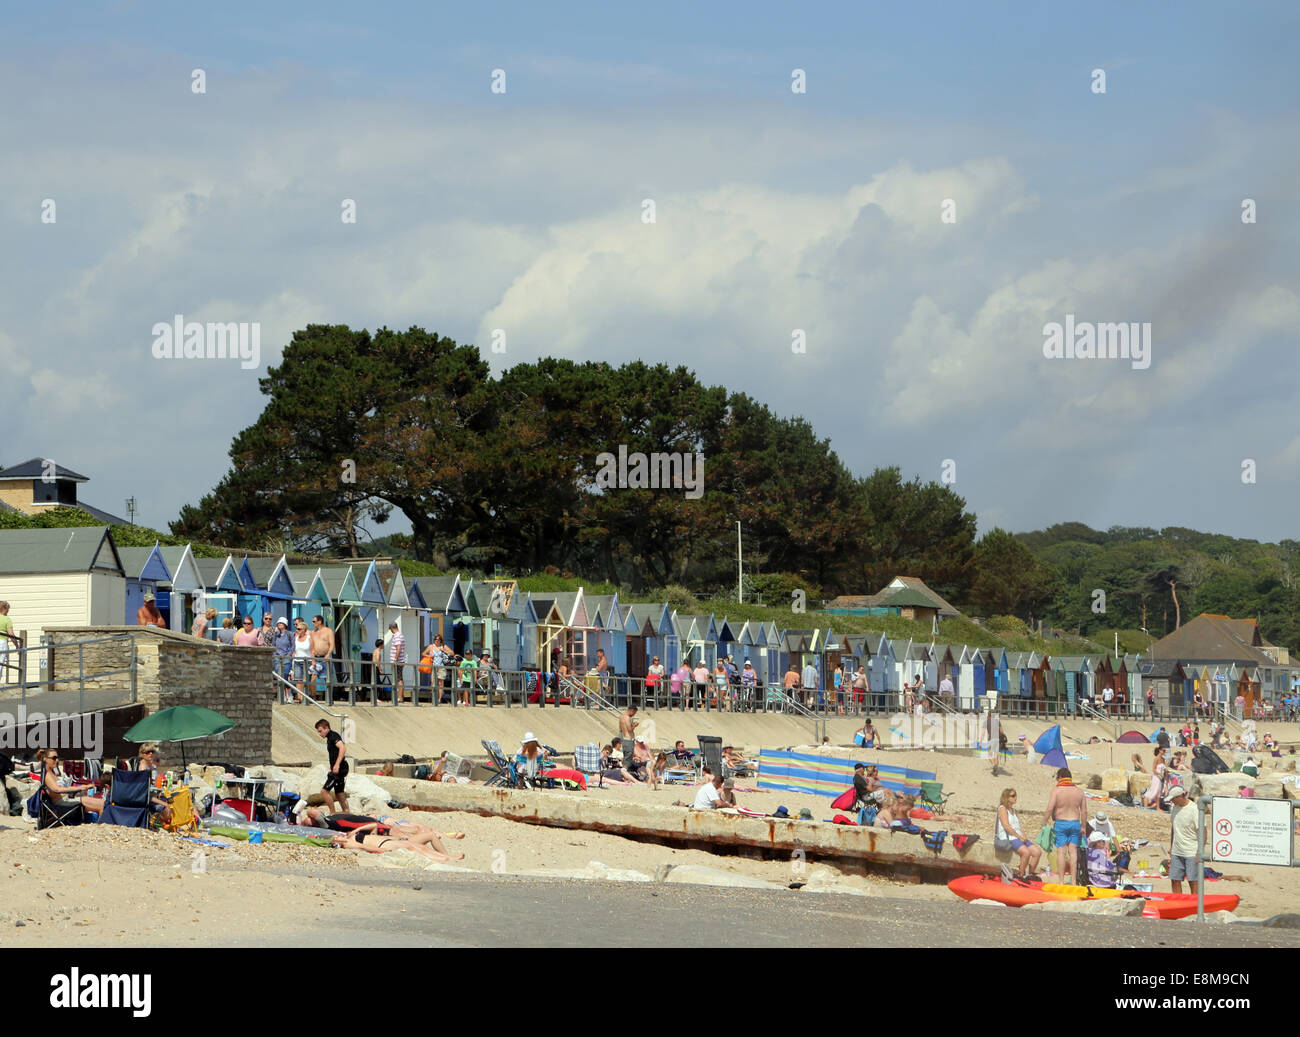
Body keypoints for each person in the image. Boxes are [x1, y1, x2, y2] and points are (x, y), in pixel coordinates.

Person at [331, 822, 462, 863]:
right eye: (337, 838)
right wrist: (383, 851)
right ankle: (439, 858)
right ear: (338, 842)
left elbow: (374, 825)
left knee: (422, 842)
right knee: (412, 847)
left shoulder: (351, 836)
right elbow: (364, 847)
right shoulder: (349, 844)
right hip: (385, 844)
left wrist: (357, 829)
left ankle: (446, 856)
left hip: (391, 840)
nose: (338, 835)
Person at [1042, 767, 1087, 881]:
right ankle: (1074, 881)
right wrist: (1083, 826)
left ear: (1060, 777)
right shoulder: (1079, 791)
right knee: (1073, 852)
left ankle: (1061, 881)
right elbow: (1084, 811)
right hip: (1075, 823)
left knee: (1061, 852)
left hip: (1061, 823)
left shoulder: (1056, 791)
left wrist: (1043, 822)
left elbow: (1049, 809)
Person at [36, 749, 104, 815]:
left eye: (57, 758)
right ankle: (102, 825)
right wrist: (81, 787)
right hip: (62, 804)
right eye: (54, 758)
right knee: (101, 805)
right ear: (45, 759)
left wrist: (80, 788)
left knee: (101, 803)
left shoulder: (52, 772)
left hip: (67, 800)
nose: (57, 760)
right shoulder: (47, 775)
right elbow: (57, 789)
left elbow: (63, 788)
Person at [996, 788, 1042, 879]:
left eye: (1015, 795)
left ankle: (1031, 874)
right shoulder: (1002, 809)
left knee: (1037, 852)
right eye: (1013, 796)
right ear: (1006, 797)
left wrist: (1023, 836)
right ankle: (1021, 874)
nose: (1015, 798)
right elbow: (1006, 826)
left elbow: (1018, 826)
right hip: (1009, 837)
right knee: (1026, 852)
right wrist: (1019, 837)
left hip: (1017, 836)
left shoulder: (1013, 810)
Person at [1165, 786, 1199, 895]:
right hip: (1177, 850)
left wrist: (1200, 851)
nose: (1171, 801)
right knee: (1175, 879)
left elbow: (1202, 831)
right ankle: (1178, 902)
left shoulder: (1194, 809)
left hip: (1191, 851)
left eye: (1173, 799)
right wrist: (1171, 847)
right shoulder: (1174, 808)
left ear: (1180, 797)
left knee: (1193, 881)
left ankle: (1195, 904)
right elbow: (1173, 828)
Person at [316, 719, 350, 813]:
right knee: (339, 793)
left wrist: (337, 765)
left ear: (326, 728)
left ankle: (332, 813)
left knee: (324, 791)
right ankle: (346, 812)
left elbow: (342, 748)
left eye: (320, 731)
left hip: (340, 768)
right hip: (340, 768)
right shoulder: (330, 737)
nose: (319, 734)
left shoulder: (333, 736)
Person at [310, 615, 340, 688]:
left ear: (319, 622)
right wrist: (313, 659)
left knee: (327, 678)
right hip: (316, 658)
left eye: (314, 621)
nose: (312, 623)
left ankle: (329, 697)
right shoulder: (313, 632)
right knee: (313, 677)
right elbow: (312, 647)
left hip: (326, 657)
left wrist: (328, 654)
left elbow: (332, 644)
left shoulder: (328, 631)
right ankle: (311, 697)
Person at [292, 617, 313, 702]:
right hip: (297, 660)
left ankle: (306, 696)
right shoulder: (296, 637)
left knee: (306, 679)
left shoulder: (309, 637)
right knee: (298, 679)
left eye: (299, 629)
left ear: (304, 629)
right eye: (297, 629)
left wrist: (313, 660)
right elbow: (294, 648)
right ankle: (299, 697)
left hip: (307, 661)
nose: (297, 630)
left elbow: (312, 649)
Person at [387, 622, 407, 702]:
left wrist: (395, 659)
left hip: (398, 661)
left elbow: (398, 648)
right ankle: (400, 696)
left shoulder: (397, 636)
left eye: (390, 629)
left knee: (399, 679)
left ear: (392, 628)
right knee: (399, 678)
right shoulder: (400, 635)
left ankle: (400, 697)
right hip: (400, 661)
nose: (391, 631)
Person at [0, 601, 17, 685]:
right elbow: (11, 634)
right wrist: (17, 645)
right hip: (2, 642)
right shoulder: (7, 619)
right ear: (5, 609)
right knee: (0, 663)